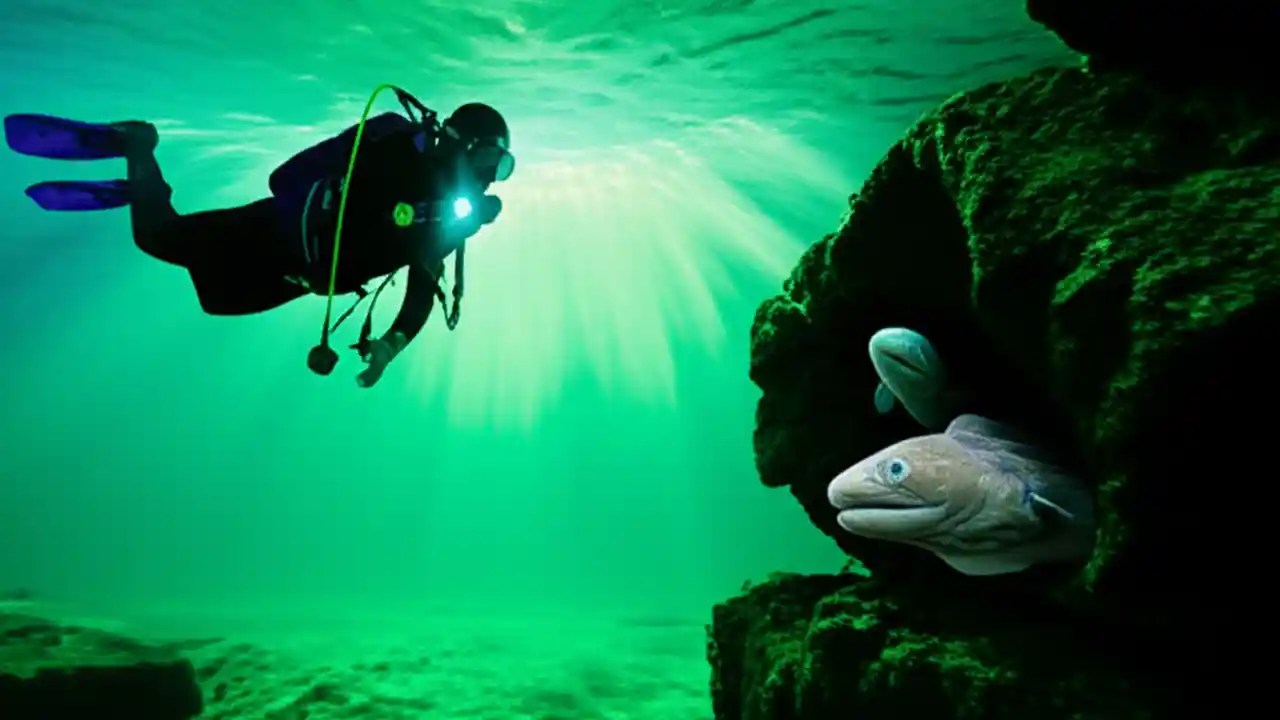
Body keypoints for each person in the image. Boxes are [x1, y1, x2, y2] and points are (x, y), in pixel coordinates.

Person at [2, 85, 514, 388]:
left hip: (296, 274)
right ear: (460, 145)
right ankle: (138, 147)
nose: (491, 177)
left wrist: (389, 346)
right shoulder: (396, 153)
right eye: (490, 162)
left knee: (218, 301)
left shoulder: (449, 217)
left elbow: (424, 286)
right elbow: (286, 180)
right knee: (158, 240)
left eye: (502, 167)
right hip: (270, 229)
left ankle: (140, 188)